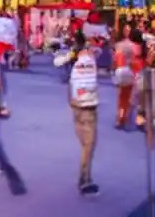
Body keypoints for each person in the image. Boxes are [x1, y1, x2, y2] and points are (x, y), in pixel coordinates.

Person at [67, 33, 100, 196]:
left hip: (77, 107)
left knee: (85, 144)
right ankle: (84, 179)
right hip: (87, 108)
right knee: (89, 145)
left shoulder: (74, 67)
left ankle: (86, 176)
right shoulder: (89, 61)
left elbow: (70, 89)